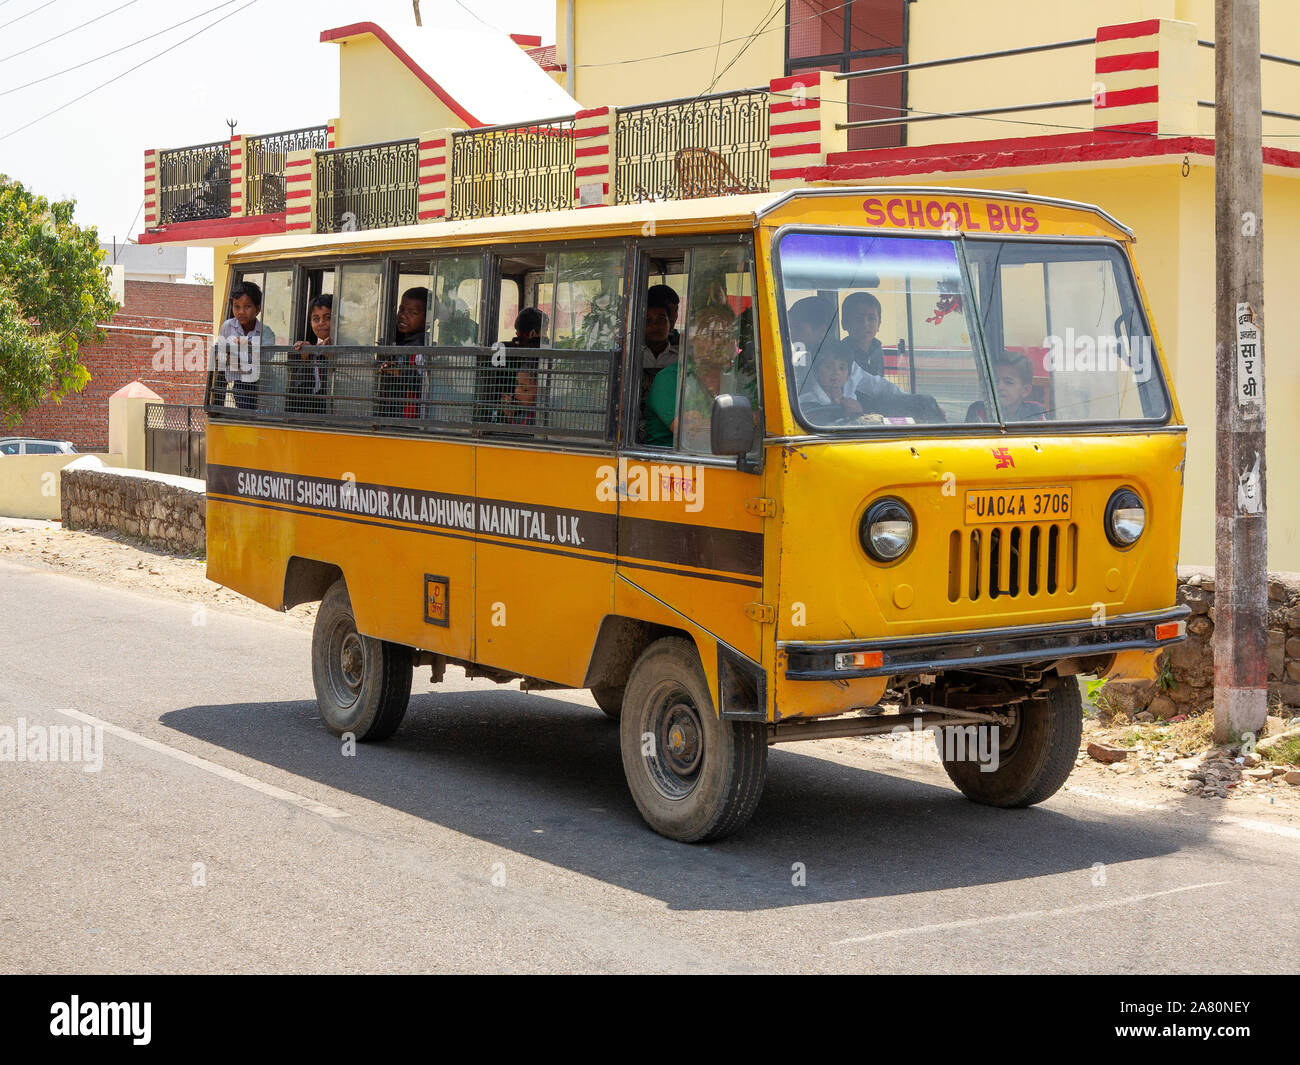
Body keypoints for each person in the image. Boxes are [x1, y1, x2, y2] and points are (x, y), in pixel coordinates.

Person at [643, 303, 755, 452]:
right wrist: (745, 421)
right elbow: (692, 436)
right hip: (672, 468)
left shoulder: (736, 377)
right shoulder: (669, 379)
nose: (722, 341)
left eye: (727, 334)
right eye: (713, 335)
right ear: (693, 340)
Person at [213, 281, 276, 410]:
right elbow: (220, 353)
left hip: (257, 383)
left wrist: (250, 347)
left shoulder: (266, 332)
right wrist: (230, 359)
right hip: (233, 383)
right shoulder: (227, 326)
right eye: (237, 307)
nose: (241, 312)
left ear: (258, 309)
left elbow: (268, 356)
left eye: (247, 307)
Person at [377, 287, 428, 419]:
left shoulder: (422, 347)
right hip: (393, 413)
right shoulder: (397, 340)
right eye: (401, 310)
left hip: (410, 417)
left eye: (413, 313)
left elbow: (427, 385)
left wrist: (402, 373)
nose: (402, 316)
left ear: (428, 318)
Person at [966, 350, 1048, 422]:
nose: (999, 387)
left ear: (1025, 390)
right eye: (996, 381)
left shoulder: (1036, 414)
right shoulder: (979, 411)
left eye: (1008, 382)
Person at [288, 294, 331, 415]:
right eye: (316, 319)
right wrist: (306, 359)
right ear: (310, 323)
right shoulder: (315, 350)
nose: (321, 323)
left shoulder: (349, 345)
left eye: (327, 317)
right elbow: (301, 389)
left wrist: (332, 357)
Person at [798, 347, 862, 422]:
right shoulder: (804, 401)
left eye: (842, 368)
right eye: (829, 367)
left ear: (848, 376)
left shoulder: (851, 399)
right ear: (816, 372)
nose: (836, 372)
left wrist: (858, 412)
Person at [841, 291, 885, 379]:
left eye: (871, 318)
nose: (865, 324)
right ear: (844, 323)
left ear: (879, 324)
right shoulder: (840, 354)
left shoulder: (877, 350)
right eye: (858, 318)